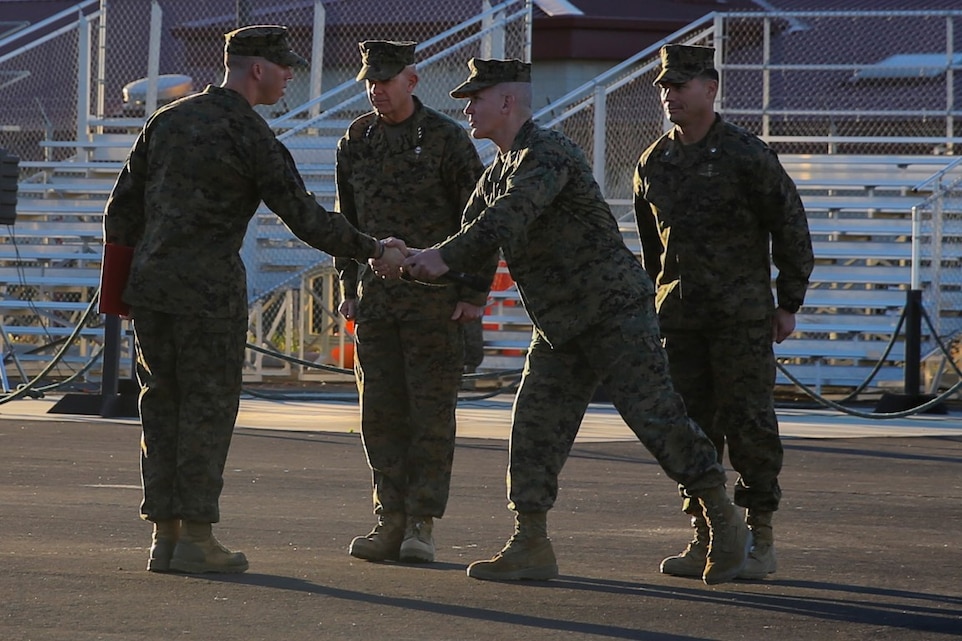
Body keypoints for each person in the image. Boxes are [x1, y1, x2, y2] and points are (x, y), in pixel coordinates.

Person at [385, 58, 751, 586]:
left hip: (611, 312)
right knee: (533, 429)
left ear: (506, 102)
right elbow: (472, 241)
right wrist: (408, 260)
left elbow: (508, 217)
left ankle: (722, 521)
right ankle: (530, 542)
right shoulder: (497, 173)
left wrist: (437, 257)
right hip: (560, 324)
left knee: (657, 420)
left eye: (476, 98)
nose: (467, 108)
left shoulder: (547, 153)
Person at [102, 25, 404, 575]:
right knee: (207, 410)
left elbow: (120, 210)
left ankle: (165, 537)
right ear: (257, 69)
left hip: (152, 290)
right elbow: (305, 218)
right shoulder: (250, 134)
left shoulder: (167, 120)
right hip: (208, 295)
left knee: (161, 407)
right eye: (284, 66)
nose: (290, 75)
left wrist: (121, 288)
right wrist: (374, 249)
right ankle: (197, 537)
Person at [633, 44, 814, 580]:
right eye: (664, 87)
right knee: (691, 430)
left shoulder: (745, 154)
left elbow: (790, 226)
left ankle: (760, 537)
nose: (670, 95)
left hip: (741, 318)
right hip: (681, 320)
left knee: (750, 423)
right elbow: (652, 249)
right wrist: (654, 303)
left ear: (710, 89)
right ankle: (707, 533)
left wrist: (789, 302)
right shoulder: (654, 161)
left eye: (680, 85)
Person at [334, 40, 488, 564]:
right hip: (377, 301)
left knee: (430, 415)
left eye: (386, 80)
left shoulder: (446, 139)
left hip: (434, 303)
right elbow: (346, 221)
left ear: (412, 81)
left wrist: (473, 293)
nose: (377, 90)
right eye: (370, 82)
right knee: (379, 415)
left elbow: (479, 222)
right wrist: (347, 287)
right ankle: (389, 519)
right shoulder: (356, 140)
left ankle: (421, 521)